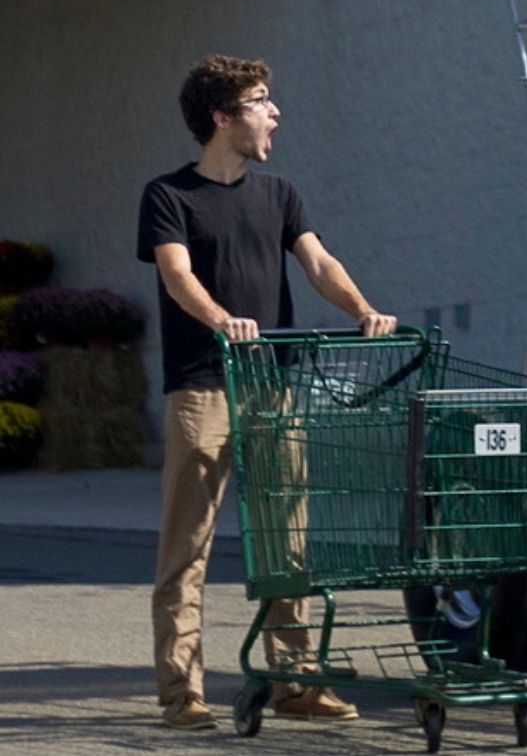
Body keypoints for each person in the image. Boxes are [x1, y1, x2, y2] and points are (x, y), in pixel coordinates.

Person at [137, 54, 398, 730]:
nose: (274, 112)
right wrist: (224, 321)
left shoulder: (279, 193)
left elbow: (318, 262)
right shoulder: (168, 195)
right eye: (259, 101)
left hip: (273, 389)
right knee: (187, 549)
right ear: (223, 118)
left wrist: (361, 309)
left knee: (289, 545)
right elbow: (175, 274)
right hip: (203, 390)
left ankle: (295, 684)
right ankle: (182, 694)